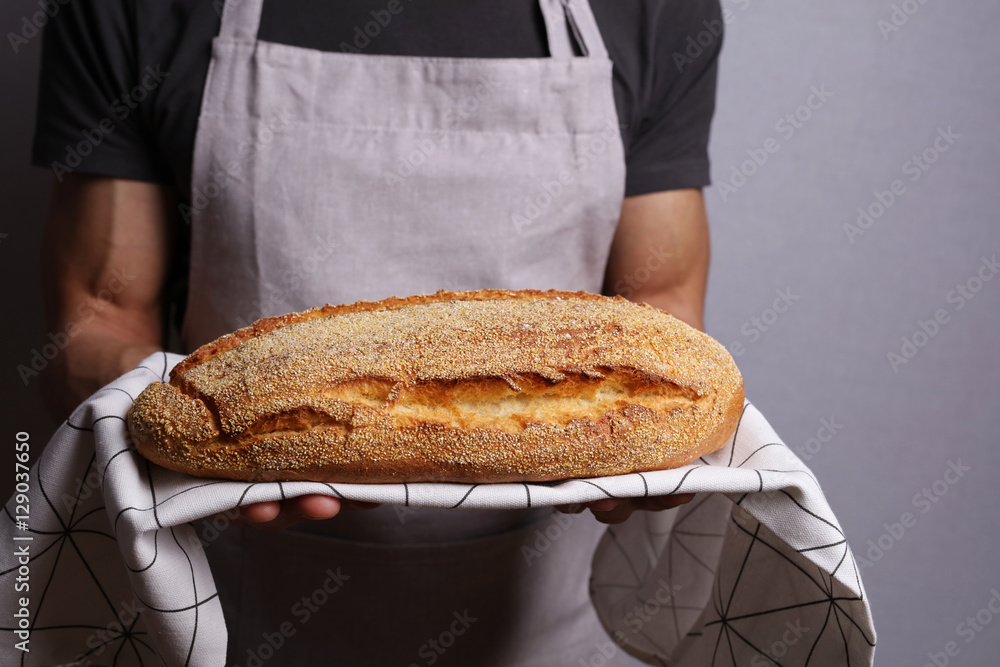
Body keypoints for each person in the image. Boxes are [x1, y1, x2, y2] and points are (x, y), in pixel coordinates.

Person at [34, 0, 722, 663]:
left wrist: (650, 454)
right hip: (233, 589)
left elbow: (660, 305)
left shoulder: (654, 8)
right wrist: (191, 441)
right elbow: (97, 317)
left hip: (542, 596)